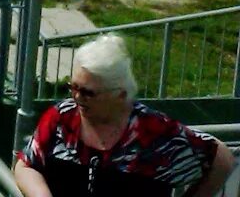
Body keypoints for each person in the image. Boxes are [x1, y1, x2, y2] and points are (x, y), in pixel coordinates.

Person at [14, 32, 233, 197]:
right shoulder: (62, 118)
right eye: (73, 87)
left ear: (120, 94)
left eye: (89, 92)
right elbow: (26, 165)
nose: (78, 97)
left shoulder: (154, 132)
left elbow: (220, 157)